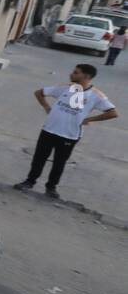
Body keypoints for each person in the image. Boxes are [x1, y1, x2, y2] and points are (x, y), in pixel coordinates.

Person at [14, 64, 118, 199]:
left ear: (86, 76)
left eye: (76, 73)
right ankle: (29, 181)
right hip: (49, 130)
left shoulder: (96, 96)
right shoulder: (64, 88)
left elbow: (113, 113)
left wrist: (89, 119)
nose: (71, 74)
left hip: (69, 135)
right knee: (39, 158)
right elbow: (39, 93)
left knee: (59, 162)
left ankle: (51, 187)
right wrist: (46, 107)